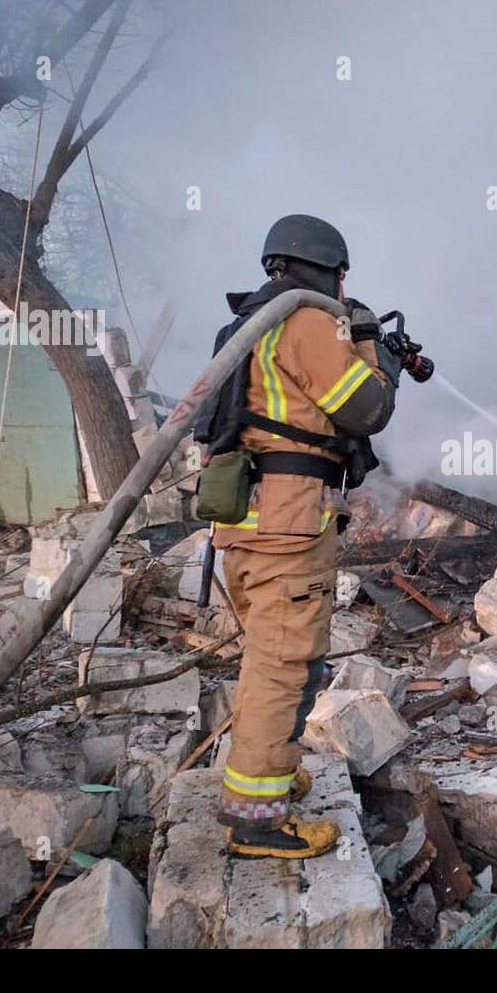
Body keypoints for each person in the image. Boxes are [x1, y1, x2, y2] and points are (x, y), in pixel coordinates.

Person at [194, 214, 400, 859]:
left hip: (248, 523)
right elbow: (368, 409)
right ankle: (255, 816)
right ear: (331, 271)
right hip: (287, 524)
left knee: (273, 656)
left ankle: (270, 772)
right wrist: (374, 348)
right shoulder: (306, 322)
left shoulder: (251, 325)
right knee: (282, 666)